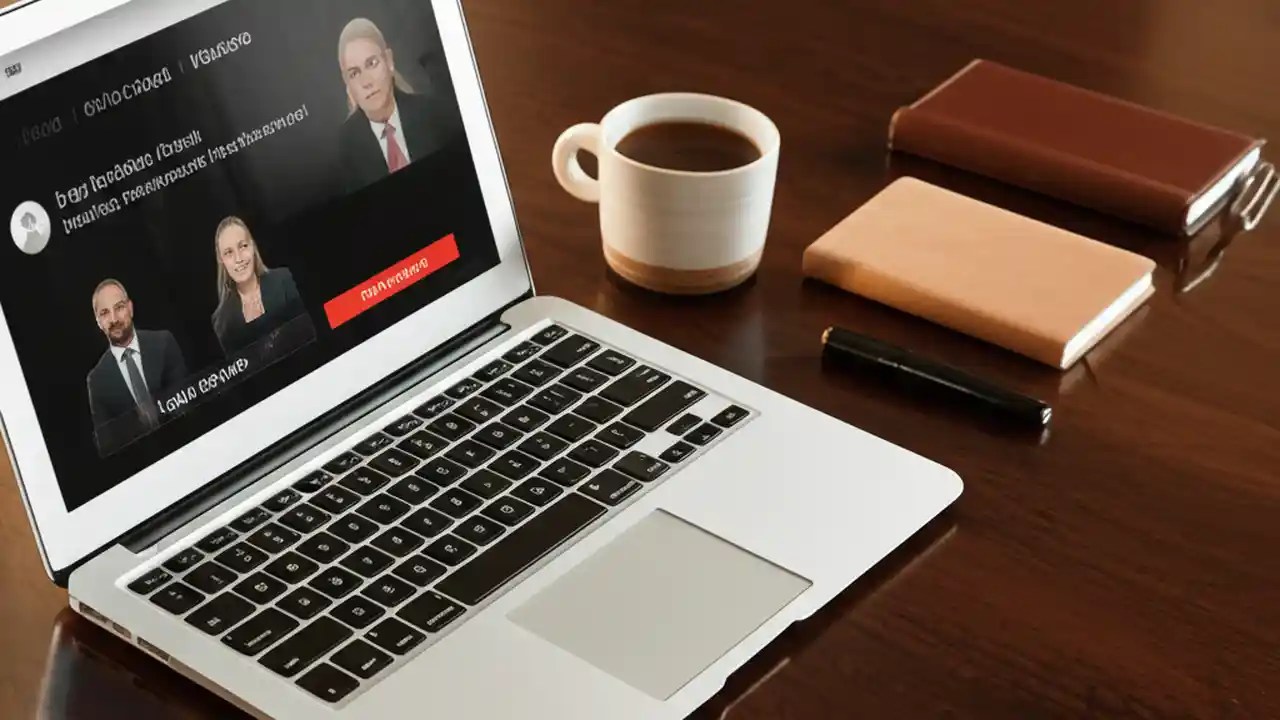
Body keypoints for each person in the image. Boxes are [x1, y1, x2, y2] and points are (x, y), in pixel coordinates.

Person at [337, 17, 463, 193]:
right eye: (354, 73)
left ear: (388, 61)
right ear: (347, 83)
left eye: (372, 63)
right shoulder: (342, 155)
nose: (366, 82)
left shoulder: (435, 115)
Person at [86, 279, 188, 454]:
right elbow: (108, 445)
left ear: (130, 308)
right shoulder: (97, 381)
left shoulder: (163, 343)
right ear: (98, 322)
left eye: (119, 308)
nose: (113, 319)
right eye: (104, 313)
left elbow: (186, 405)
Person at [209, 216, 306, 358]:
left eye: (243, 246)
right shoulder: (221, 321)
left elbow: (308, 334)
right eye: (229, 253)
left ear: (252, 246)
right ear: (221, 259)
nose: (238, 259)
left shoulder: (284, 279)